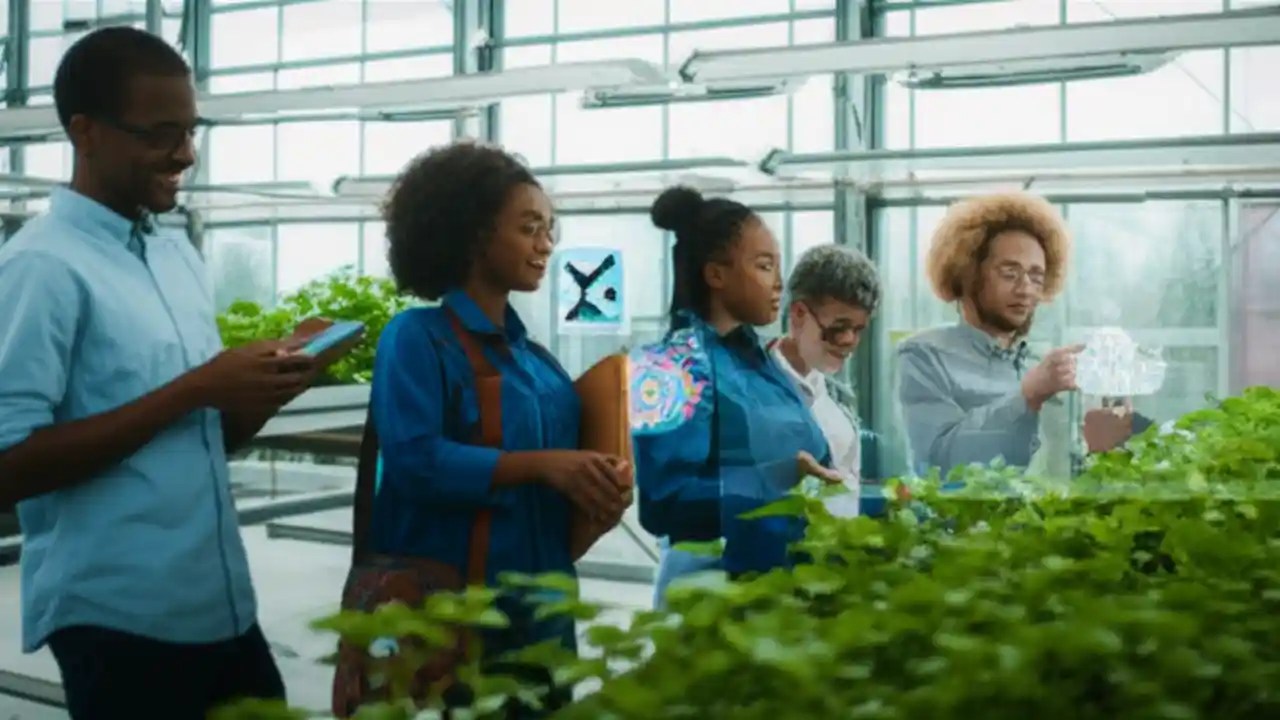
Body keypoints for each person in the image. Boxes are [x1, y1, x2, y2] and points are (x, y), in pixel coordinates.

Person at [0, 27, 349, 718]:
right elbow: (7, 466)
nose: (185, 154)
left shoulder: (174, 256)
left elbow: (205, 437)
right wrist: (193, 388)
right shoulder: (43, 266)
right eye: (161, 134)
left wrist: (276, 382)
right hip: (117, 616)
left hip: (217, 603)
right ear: (86, 132)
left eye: (191, 131)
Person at [369, 140, 631, 716]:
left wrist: (598, 495)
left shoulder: (536, 360)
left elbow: (562, 477)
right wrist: (541, 465)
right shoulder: (417, 338)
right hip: (456, 612)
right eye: (530, 227)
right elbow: (414, 462)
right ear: (474, 233)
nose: (547, 245)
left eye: (550, 229)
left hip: (545, 611)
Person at [635, 186, 840, 609]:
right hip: (710, 596)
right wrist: (773, 478)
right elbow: (663, 504)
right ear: (716, 275)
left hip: (777, 592)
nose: (779, 282)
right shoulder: (669, 366)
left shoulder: (760, 362)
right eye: (764, 265)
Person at [897, 192, 1080, 479]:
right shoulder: (924, 355)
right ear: (969, 273)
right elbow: (938, 462)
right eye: (1009, 273)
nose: (1025, 289)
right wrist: (1027, 397)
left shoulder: (1043, 362)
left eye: (1036, 276)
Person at [768, 244, 881, 517]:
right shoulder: (746, 390)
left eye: (858, 330)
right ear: (798, 315)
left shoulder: (840, 401)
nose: (848, 341)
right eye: (837, 328)